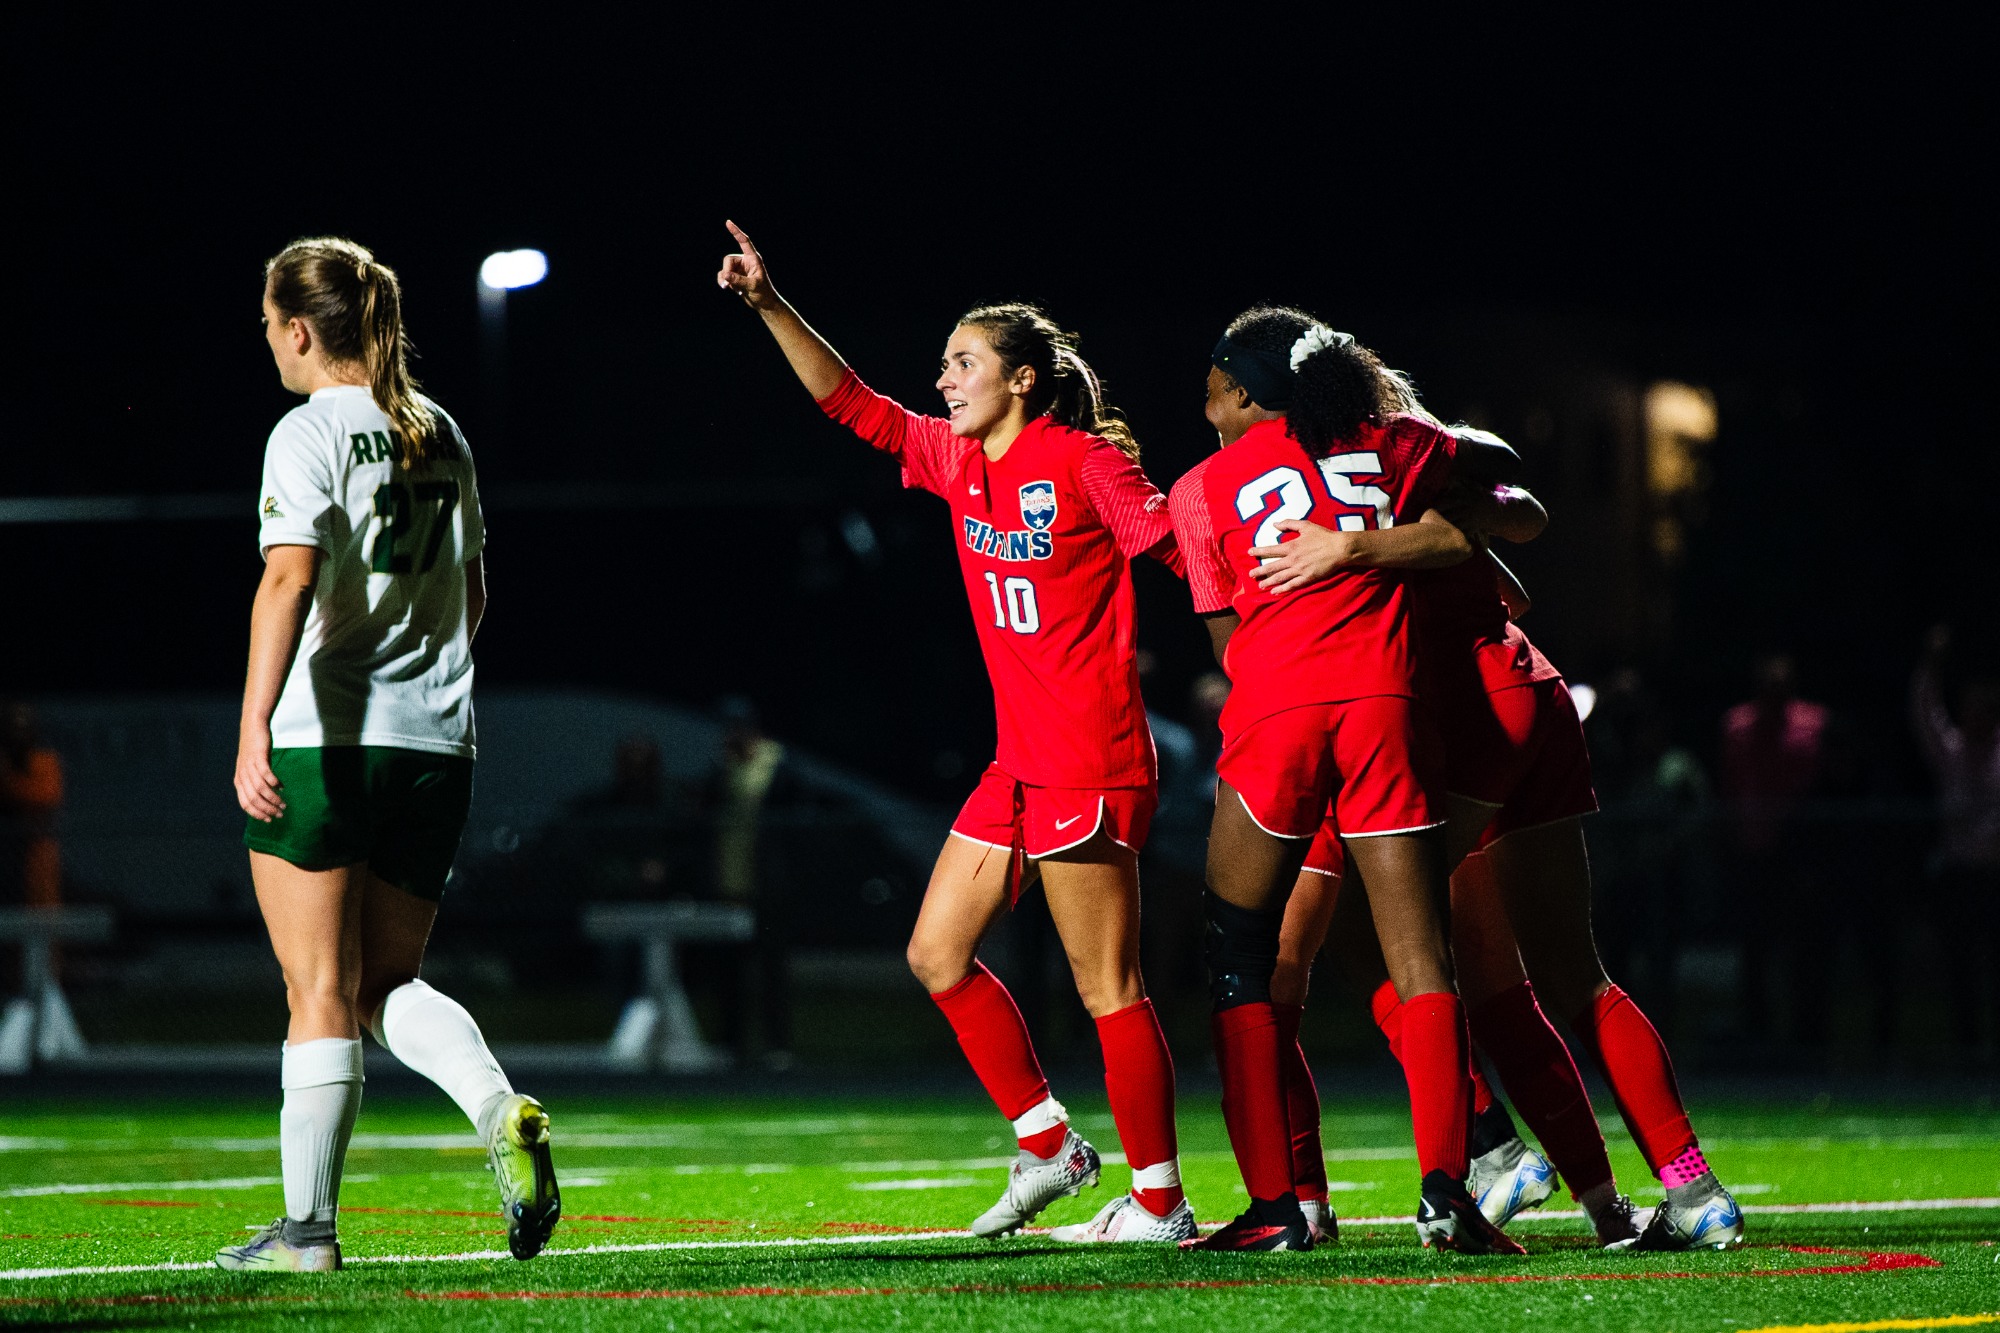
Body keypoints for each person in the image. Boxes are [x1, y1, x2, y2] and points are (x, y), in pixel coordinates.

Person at [718, 223, 1193, 1243]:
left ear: (1021, 378)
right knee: (935, 953)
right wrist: (767, 303)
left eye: (963, 363)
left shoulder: (1080, 463)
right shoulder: (954, 455)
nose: (941, 380)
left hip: (1089, 756)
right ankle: (1049, 1145)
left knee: (1108, 986)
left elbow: (1175, 551)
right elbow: (848, 402)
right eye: (941, 363)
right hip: (1018, 763)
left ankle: (1161, 1202)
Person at [1246, 471, 1744, 1251]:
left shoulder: (1328, 495)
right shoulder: (1410, 467)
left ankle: (1484, 1146)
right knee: (1543, 979)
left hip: (1463, 716)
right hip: (1526, 686)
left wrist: (1361, 561)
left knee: (1356, 939)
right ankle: (1683, 1193)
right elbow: (1513, 586)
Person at [218, 238, 558, 1273]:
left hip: (326, 738)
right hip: (433, 745)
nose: (270, 344)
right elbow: (478, 588)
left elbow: (286, 582)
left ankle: (308, 1234)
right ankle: (500, 1108)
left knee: (317, 986)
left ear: (301, 329)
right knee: (385, 983)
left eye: (272, 327)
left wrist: (250, 726)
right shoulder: (437, 428)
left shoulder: (307, 430)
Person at [1166, 305, 1524, 1253]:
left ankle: (1279, 1207)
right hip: (1386, 707)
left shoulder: (1199, 488)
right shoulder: (1386, 439)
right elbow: (1489, 493)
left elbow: (1226, 643)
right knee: (1422, 962)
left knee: (1241, 954)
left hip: (1280, 709)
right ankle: (1450, 1193)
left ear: (1243, 389)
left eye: (1212, 384)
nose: (1203, 402)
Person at [1911, 625, 2000, 1065]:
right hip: (1962, 877)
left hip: (1996, 876)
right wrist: (1932, 664)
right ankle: (1967, 1051)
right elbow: (1926, 712)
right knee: (1960, 968)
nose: (1975, 717)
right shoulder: (1953, 749)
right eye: (1969, 709)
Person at [0, 702, 63, 910]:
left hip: (35, 849)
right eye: (13, 728)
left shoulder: (44, 762)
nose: (19, 736)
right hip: (6, 851)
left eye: (24, 728)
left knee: (42, 918)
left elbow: (47, 794)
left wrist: (8, 780)